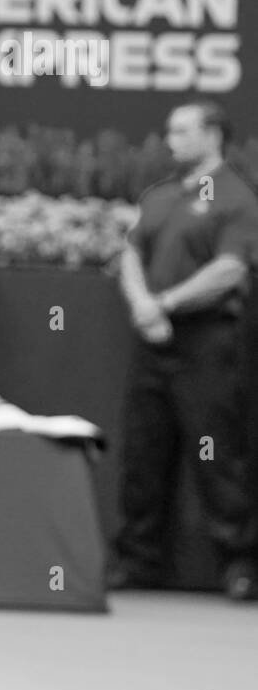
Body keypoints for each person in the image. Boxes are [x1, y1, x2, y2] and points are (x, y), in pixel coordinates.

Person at [112, 101, 258, 600]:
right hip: (153, 341)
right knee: (143, 453)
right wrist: (142, 305)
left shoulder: (236, 196)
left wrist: (165, 304)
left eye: (181, 131)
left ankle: (238, 564)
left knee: (218, 455)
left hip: (207, 341)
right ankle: (137, 562)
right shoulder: (159, 194)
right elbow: (131, 252)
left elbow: (231, 270)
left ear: (213, 135)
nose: (170, 139)